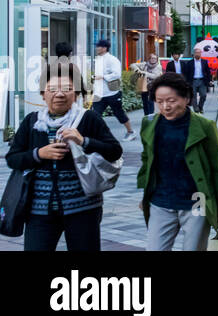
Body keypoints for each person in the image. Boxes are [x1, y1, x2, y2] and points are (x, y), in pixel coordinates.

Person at [6, 60, 122, 251]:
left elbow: (114, 151)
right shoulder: (32, 122)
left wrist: (84, 141)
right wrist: (39, 154)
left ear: (76, 93)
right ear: (43, 94)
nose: (59, 94)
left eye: (67, 88)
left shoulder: (88, 119)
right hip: (39, 209)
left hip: (83, 208)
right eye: (52, 89)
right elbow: (13, 158)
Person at [137, 72, 218, 251]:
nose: (165, 107)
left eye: (171, 101)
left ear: (187, 98)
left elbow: (217, 167)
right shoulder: (149, 123)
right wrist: (145, 192)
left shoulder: (204, 126)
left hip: (196, 202)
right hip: (161, 201)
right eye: (159, 101)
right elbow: (146, 159)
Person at [90, 39, 135, 140]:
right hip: (100, 93)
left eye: (98, 46)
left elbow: (117, 74)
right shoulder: (98, 59)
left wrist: (102, 77)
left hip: (112, 92)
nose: (96, 48)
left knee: (119, 114)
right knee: (95, 115)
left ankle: (130, 132)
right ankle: (97, 135)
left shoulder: (112, 59)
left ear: (104, 48)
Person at [131, 54, 164, 119]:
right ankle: (146, 116)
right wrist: (138, 71)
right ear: (149, 59)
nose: (153, 60)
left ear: (157, 59)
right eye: (152, 58)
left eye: (154, 58)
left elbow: (155, 76)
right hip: (144, 85)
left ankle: (151, 117)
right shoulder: (145, 64)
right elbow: (132, 65)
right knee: (145, 101)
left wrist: (145, 73)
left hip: (152, 86)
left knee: (150, 101)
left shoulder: (158, 66)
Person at [184, 47, 213, 114]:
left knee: (203, 95)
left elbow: (208, 72)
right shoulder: (189, 63)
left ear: (201, 54)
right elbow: (186, 73)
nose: (198, 54)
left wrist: (210, 80)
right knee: (193, 96)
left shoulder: (204, 62)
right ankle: (196, 108)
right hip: (193, 81)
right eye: (196, 52)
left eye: (199, 53)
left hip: (202, 81)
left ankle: (200, 107)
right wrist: (186, 82)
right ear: (194, 53)